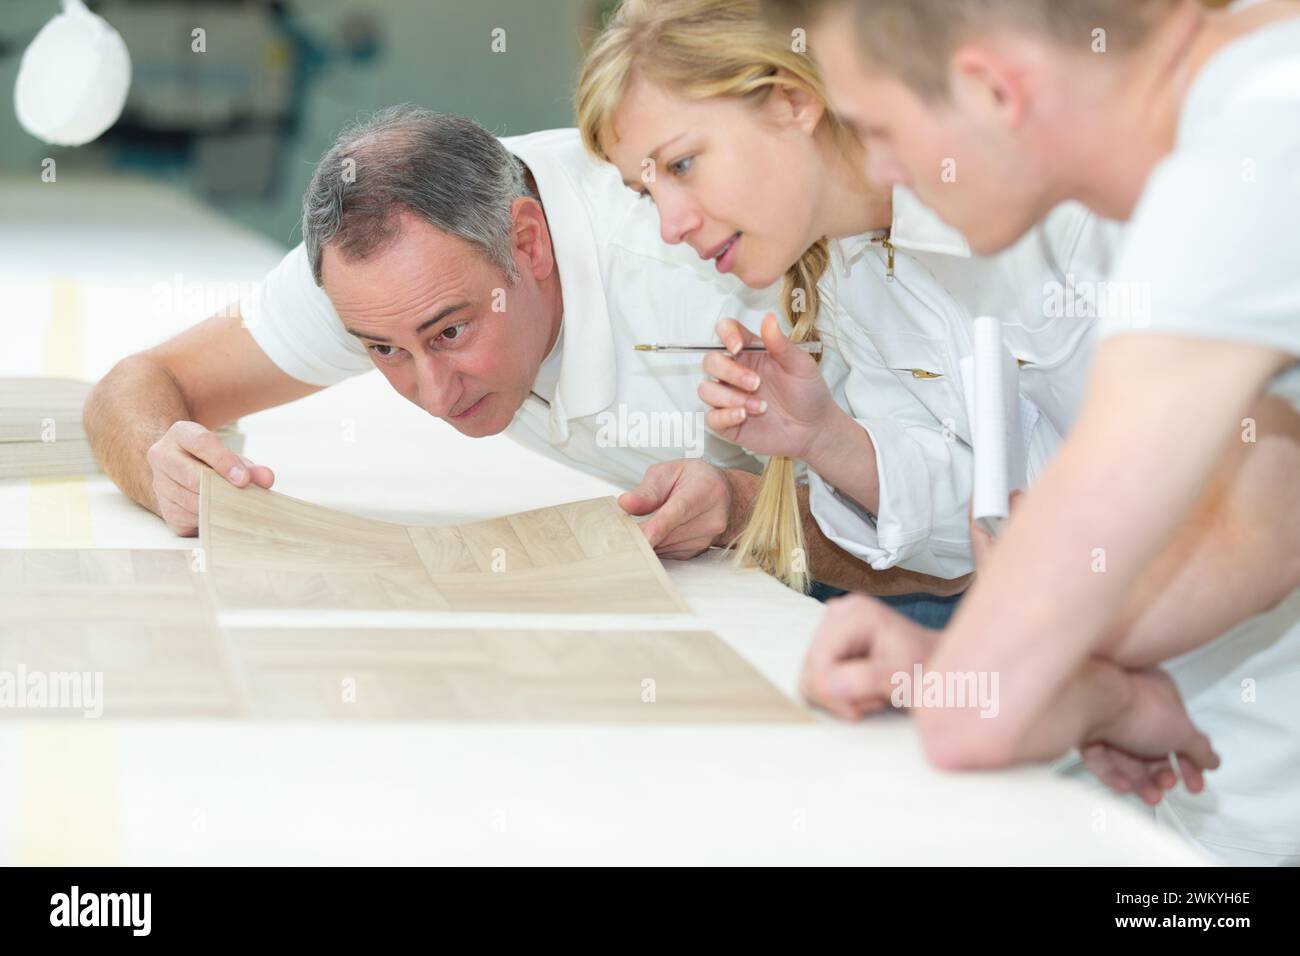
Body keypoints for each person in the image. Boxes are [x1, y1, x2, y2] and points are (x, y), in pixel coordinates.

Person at [766, 0, 1300, 863]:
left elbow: (973, 717)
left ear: (990, 90)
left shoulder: (1240, 164)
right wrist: (1080, 679)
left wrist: (993, 668)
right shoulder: (1223, 118)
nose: (875, 167)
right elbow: (1265, 527)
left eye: (877, 128)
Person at [84, 106, 953, 598]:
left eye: (452, 333)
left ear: (527, 242)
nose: (430, 391)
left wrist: (740, 506)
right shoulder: (381, 265)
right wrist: (160, 464)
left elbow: (959, 539)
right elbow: (136, 385)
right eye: (381, 350)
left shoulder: (706, 262)